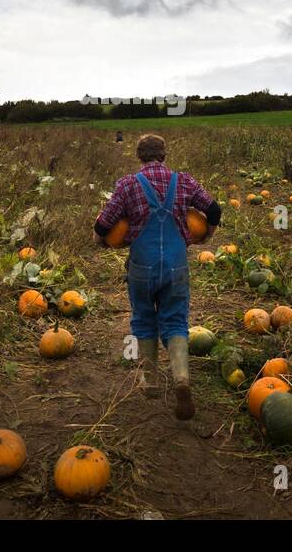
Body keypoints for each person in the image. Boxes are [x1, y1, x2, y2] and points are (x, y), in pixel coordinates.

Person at [94, 133, 220, 420]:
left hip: (142, 267)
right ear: (164, 155)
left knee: (143, 318)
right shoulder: (183, 181)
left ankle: (149, 381)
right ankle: (182, 379)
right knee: (176, 320)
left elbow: (104, 224)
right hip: (176, 265)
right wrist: (207, 234)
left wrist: (101, 239)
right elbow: (214, 209)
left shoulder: (127, 185)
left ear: (139, 156)